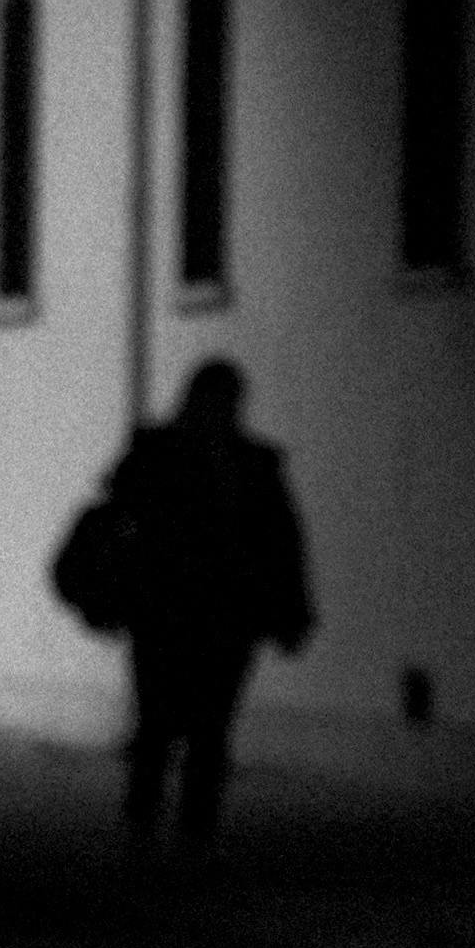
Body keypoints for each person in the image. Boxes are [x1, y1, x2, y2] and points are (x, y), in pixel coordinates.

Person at [79, 361, 318, 863]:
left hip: (207, 614)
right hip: (178, 611)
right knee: (171, 722)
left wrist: (289, 610)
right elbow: (280, 542)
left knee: (196, 723)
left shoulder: (233, 461)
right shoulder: (202, 458)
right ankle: (166, 822)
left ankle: (178, 824)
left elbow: (280, 542)